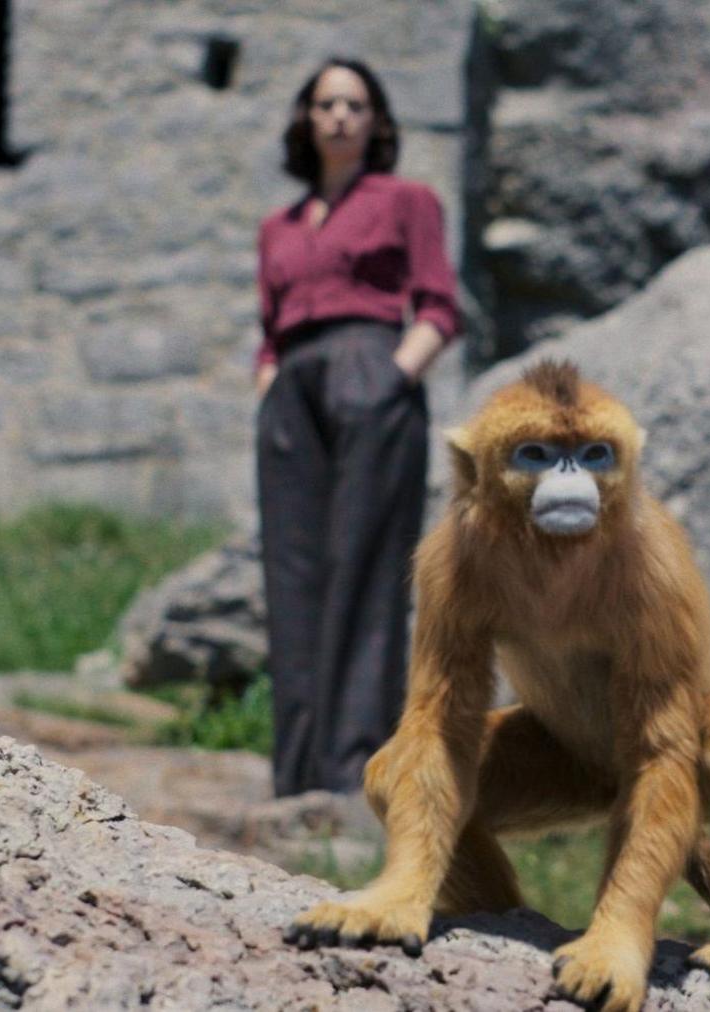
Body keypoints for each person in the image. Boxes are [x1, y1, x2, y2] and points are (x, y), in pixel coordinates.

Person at [253, 58, 458, 796]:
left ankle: (352, 773)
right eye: (327, 103)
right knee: (293, 572)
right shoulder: (277, 226)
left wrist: (393, 379)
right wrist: (269, 386)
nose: (340, 116)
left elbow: (439, 308)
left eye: (356, 104)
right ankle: (296, 773)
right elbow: (268, 330)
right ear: (306, 118)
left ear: (376, 122)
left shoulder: (407, 200)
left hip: (372, 370)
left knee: (366, 571)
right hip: (291, 394)